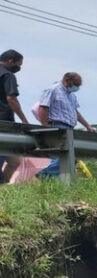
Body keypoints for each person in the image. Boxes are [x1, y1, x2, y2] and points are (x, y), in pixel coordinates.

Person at [36, 72, 95, 178]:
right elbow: (43, 108)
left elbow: (75, 112)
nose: (76, 87)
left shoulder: (72, 95)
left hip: (70, 128)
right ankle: (43, 175)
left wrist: (87, 126)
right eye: (75, 84)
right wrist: (45, 126)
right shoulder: (53, 90)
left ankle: (53, 181)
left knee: (67, 157)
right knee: (64, 156)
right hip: (57, 126)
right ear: (67, 80)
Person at [0, 49, 28, 183]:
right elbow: (11, 98)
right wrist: (23, 119)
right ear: (11, 61)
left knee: (14, 160)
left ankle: (3, 189)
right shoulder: (8, 75)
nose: (18, 68)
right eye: (18, 65)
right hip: (3, 122)